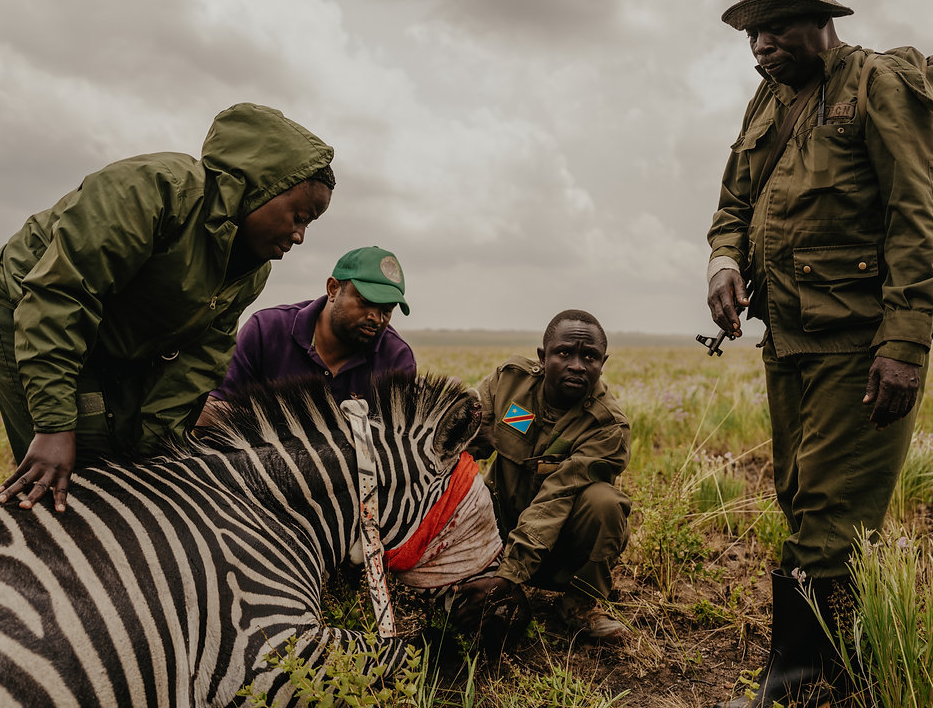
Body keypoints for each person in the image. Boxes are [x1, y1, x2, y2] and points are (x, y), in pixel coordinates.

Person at [705, 0, 933, 705]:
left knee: (830, 520)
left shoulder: (878, 85)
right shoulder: (767, 102)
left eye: (775, 27)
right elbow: (732, 208)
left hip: (860, 348)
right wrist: (723, 263)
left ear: (822, 20)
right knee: (801, 499)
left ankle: (801, 679)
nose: (761, 46)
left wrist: (903, 344)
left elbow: (918, 219)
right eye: (752, 32)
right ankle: (847, 665)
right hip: (789, 342)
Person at [0, 102, 336, 513]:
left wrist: (157, 457)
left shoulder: (250, 269)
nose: (299, 236)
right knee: (76, 466)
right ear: (257, 187)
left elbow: (200, 361)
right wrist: (54, 426)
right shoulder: (152, 191)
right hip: (28, 303)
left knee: (128, 468)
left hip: (117, 334)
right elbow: (60, 295)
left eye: (309, 224)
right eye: (299, 215)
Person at [451, 309, 632, 644]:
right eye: (564, 353)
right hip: (494, 528)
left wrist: (509, 576)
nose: (577, 365)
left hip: (560, 546)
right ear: (542, 356)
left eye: (589, 356)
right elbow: (460, 442)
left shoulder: (607, 425)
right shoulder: (509, 384)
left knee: (606, 504)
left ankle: (578, 606)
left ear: (602, 363)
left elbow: (556, 497)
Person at [203, 245, 415, 410]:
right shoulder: (265, 331)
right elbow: (208, 411)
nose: (376, 318)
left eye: (387, 309)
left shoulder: (396, 359)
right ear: (333, 289)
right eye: (365, 302)